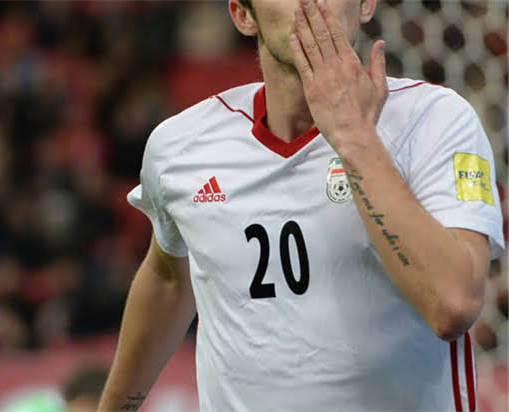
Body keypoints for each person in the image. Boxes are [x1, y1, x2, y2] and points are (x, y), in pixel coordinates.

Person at [98, 0, 505, 410]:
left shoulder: (435, 121)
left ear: (366, 5)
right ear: (243, 15)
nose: (311, 3)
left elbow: (452, 306)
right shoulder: (182, 146)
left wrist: (355, 138)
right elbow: (169, 278)